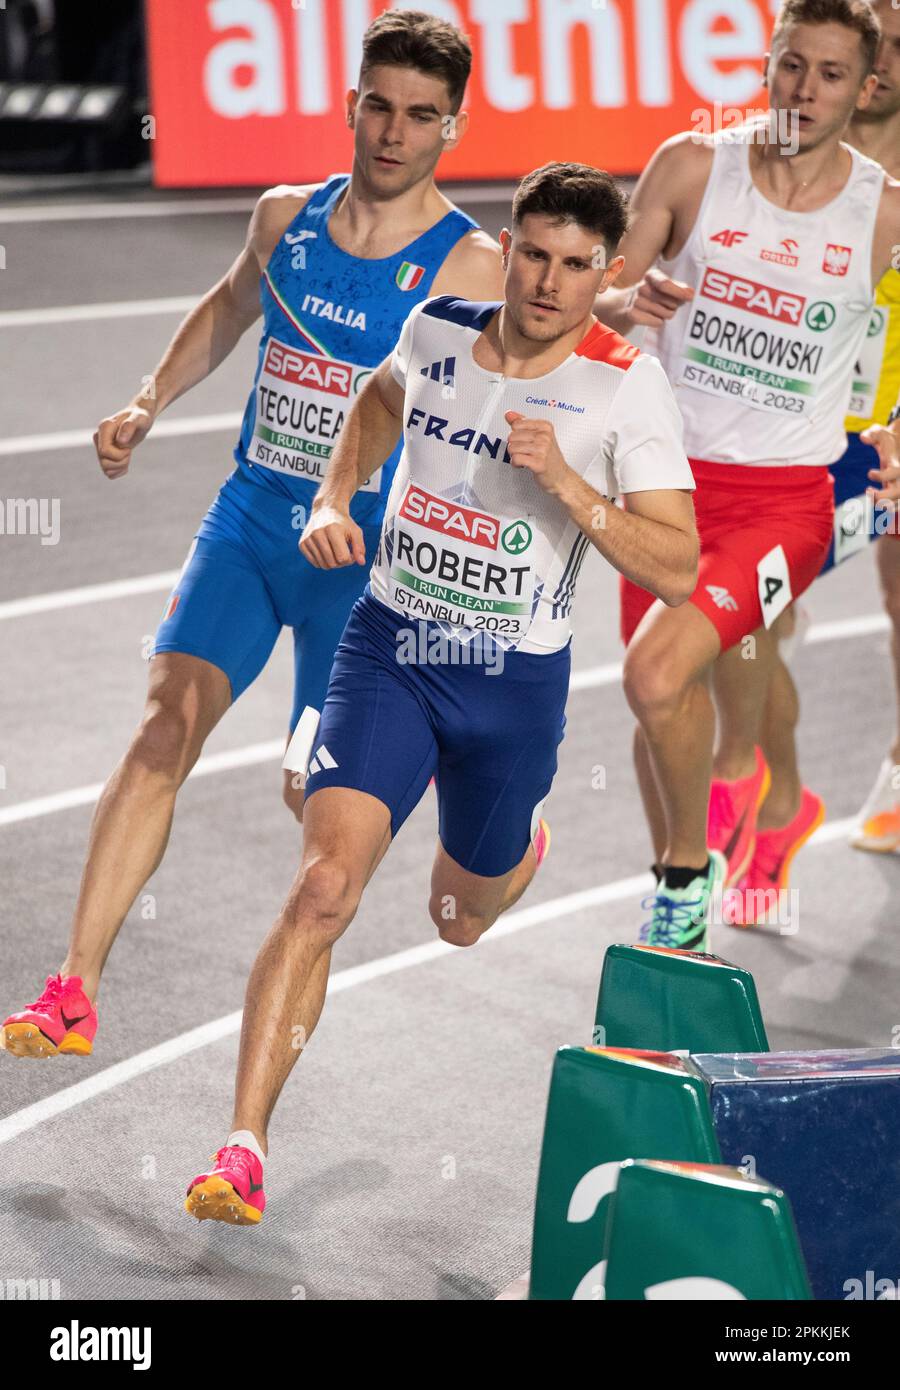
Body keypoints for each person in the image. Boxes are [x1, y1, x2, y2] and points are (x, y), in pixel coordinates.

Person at [181, 162, 699, 1225]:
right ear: (510, 251)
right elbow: (373, 401)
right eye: (536, 256)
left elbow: (678, 567)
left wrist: (566, 483)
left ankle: (519, 850)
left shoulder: (625, 383)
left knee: (458, 918)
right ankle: (241, 1145)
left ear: (604, 271)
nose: (550, 282)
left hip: (510, 687)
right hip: (391, 648)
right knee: (325, 886)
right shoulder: (435, 332)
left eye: (576, 266)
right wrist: (335, 495)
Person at [2, 8, 505, 1060]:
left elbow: (494, 416)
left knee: (312, 809)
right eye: (379, 105)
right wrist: (148, 400)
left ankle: (488, 841)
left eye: (421, 116)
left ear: (451, 128)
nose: (393, 132)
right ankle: (73, 988)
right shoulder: (286, 217)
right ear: (352, 104)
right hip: (249, 521)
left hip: (358, 569)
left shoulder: (470, 268)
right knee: (162, 728)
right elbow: (232, 309)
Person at [593, 0, 900, 945]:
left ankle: (688, 877)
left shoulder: (881, 211)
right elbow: (601, 297)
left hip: (790, 499)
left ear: (864, 87)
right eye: (792, 65)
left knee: (656, 675)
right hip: (664, 487)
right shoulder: (692, 166)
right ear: (766, 61)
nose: (806, 91)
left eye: (832, 75)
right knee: (688, 682)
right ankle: (762, 818)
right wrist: (621, 298)